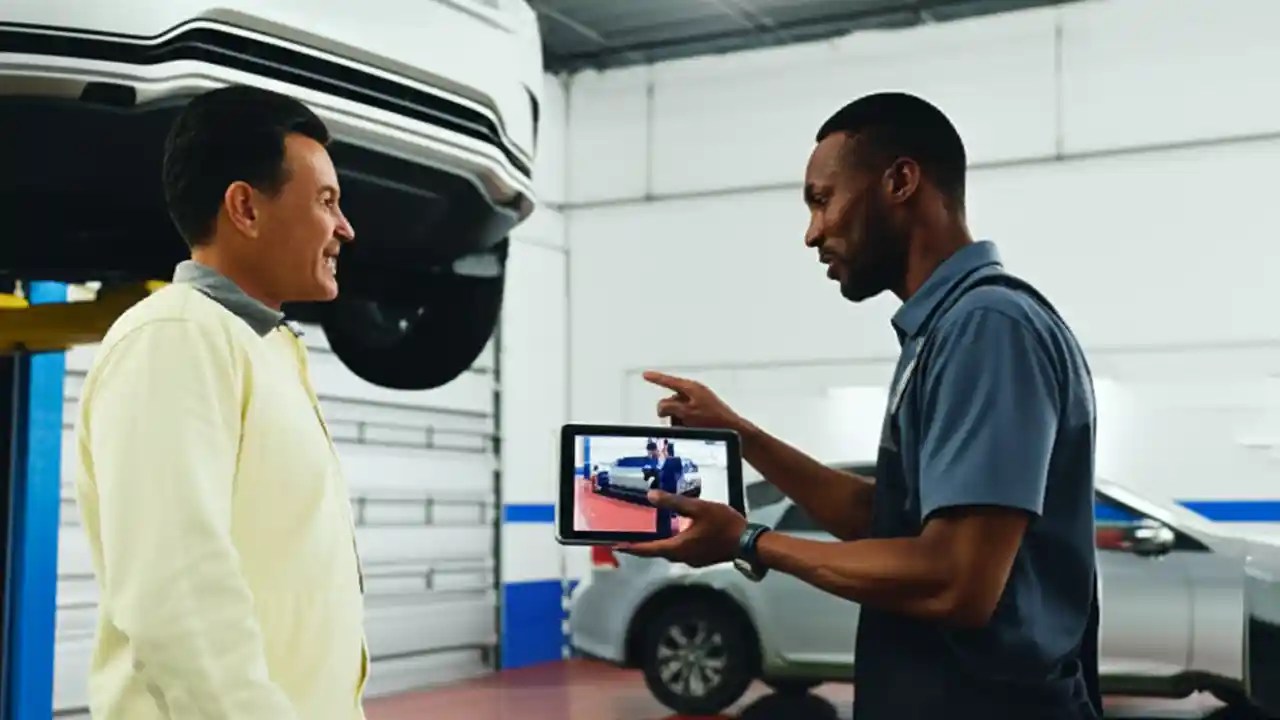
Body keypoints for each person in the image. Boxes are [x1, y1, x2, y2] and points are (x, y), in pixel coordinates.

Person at [619, 92, 1101, 720]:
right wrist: (741, 435)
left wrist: (750, 542)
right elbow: (885, 519)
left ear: (900, 181)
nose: (813, 233)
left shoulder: (988, 326)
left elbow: (956, 579)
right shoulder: (946, 330)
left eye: (822, 200)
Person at [72, 84, 365, 719]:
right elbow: (176, 597)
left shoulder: (260, 345)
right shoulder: (174, 339)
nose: (345, 227)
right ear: (246, 208)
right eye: (325, 200)